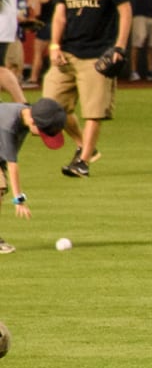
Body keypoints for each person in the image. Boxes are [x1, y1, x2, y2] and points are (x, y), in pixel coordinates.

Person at [44, 0, 132, 179]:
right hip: (68, 53)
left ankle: (82, 163)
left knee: (94, 111)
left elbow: (125, 11)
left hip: (98, 53)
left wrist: (119, 46)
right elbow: (59, 15)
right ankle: (85, 146)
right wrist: (54, 45)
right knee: (49, 111)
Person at [1, 98, 71, 254]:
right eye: (42, 132)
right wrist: (19, 200)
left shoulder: (27, 113)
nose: (41, 136)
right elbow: (13, 165)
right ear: (33, 121)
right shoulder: (8, 126)